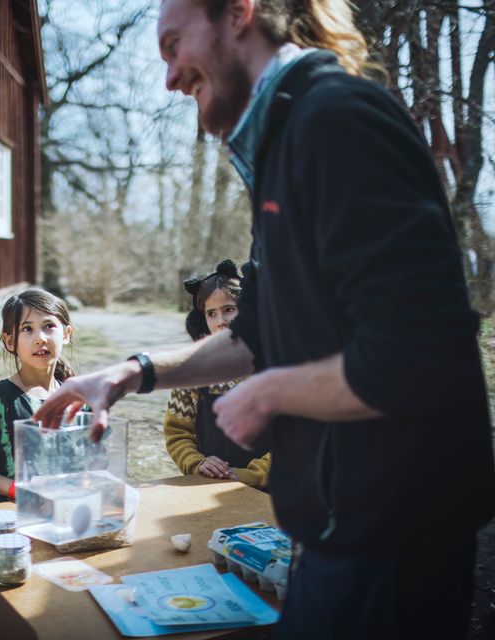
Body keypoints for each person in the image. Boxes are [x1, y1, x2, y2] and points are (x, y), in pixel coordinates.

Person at [34, 0, 495, 637]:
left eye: (173, 46)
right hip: (334, 532)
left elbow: (421, 352)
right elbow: (253, 337)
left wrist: (274, 390)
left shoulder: (336, 120)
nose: (168, 78)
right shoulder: (283, 143)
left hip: (393, 536)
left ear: (239, 12)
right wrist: (126, 375)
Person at [164, 260, 270, 488]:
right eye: (211, 314)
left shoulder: (273, 367)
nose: (220, 321)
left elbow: (296, 441)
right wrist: (197, 463)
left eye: (229, 310)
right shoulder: (194, 373)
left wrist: (249, 475)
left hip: (270, 494)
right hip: (207, 487)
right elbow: (177, 433)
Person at [0, 287, 75, 502]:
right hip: (14, 522)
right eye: (27, 329)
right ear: (10, 341)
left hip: (70, 513)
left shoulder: (77, 398)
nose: (40, 338)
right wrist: (15, 489)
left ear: (66, 334)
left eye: (49, 326)